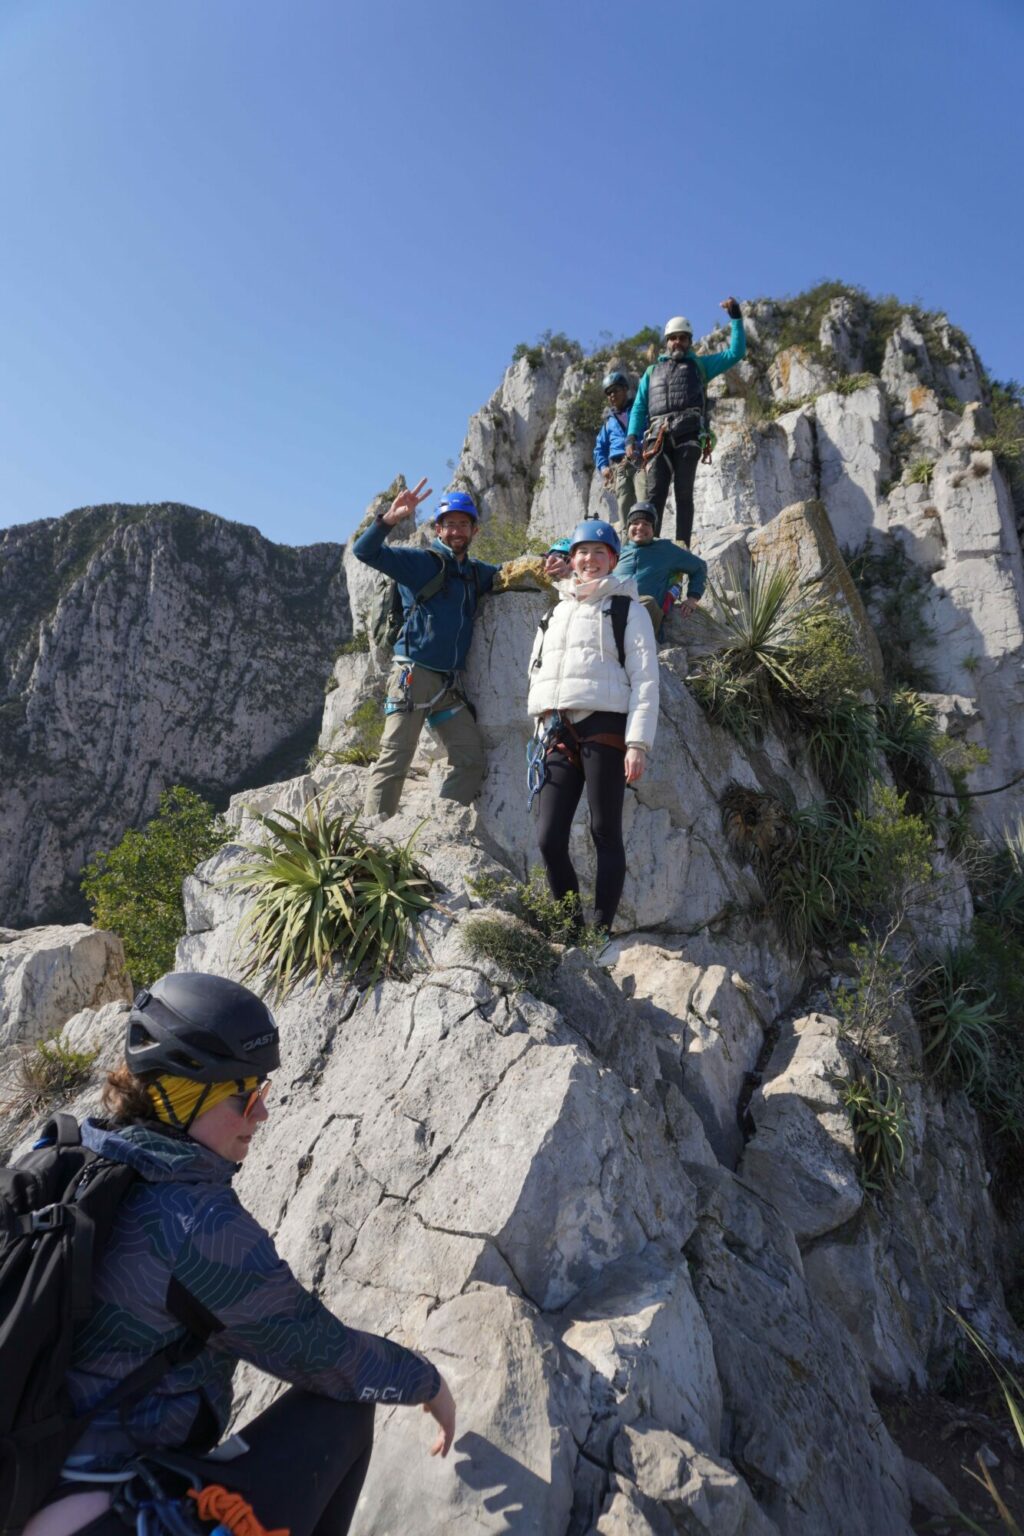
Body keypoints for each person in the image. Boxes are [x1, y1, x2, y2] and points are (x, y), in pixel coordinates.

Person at [25, 972, 455, 1536]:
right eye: (246, 1096)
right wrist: (429, 1382)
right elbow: (326, 1356)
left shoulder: (68, 1155)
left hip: (35, 1481)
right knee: (341, 1413)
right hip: (106, 1504)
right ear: (185, 1098)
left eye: (264, 1094)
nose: (262, 1116)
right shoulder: (197, 1225)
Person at [528, 519, 659, 933]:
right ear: (571, 559)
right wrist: (541, 726)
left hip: (606, 724)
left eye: (599, 553)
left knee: (605, 831)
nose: (590, 560)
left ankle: (599, 933)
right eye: (582, 553)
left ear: (614, 560)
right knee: (548, 838)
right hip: (557, 730)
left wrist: (638, 742)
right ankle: (571, 928)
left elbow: (645, 678)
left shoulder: (627, 609)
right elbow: (538, 673)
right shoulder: (553, 614)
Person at [352, 480, 499, 819]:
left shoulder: (475, 573)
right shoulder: (420, 563)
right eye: (450, 524)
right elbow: (365, 552)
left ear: (475, 529)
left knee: (470, 759)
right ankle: (373, 840)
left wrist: (557, 561)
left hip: (446, 688)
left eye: (464, 524)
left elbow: (507, 573)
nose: (457, 531)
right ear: (438, 529)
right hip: (412, 677)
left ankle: (441, 825)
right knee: (395, 757)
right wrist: (387, 520)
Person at [626, 298, 747, 545]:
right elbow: (639, 406)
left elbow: (736, 353)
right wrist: (631, 437)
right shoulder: (651, 372)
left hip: (688, 434)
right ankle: (651, 548)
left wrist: (736, 319)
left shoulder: (700, 366)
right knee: (654, 494)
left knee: (683, 493)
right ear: (667, 342)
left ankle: (682, 547)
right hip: (657, 436)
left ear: (690, 341)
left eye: (682, 337)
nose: (677, 342)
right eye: (673, 337)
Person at [615, 502, 707, 639]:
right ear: (628, 528)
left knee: (646, 602)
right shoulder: (618, 553)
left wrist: (692, 598)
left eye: (646, 524)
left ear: (653, 529)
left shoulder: (666, 550)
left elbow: (699, 566)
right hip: (616, 611)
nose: (640, 527)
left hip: (645, 612)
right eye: (635, 523)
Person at [593, 371, 644, 524]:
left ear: (625, 389)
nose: (612, 395)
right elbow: (599, 448)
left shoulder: (639, 411)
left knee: (645, 502)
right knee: (624, 510)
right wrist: (603, 467)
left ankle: (650, 541)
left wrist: (640, 447)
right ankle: (628, 545)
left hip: (640, 462)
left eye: (615, 390)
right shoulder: (609, 422)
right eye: (608, 393)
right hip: (620, 468)